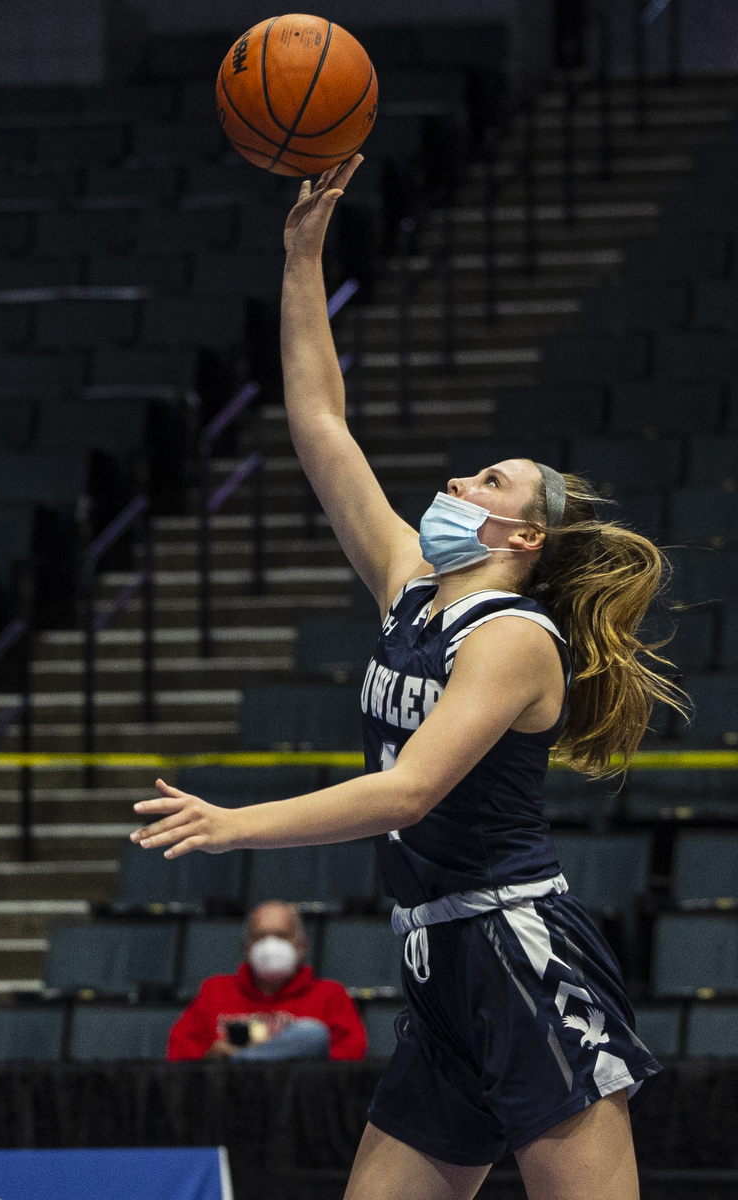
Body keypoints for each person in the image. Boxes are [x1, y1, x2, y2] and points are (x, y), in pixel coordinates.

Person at [131, 156, 688, 1199]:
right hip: (436, 969)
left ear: (521, 533)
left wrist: (235, 825)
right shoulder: (406, 583)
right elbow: (319, 427)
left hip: (519, 954)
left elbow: (407, 792)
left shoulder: (513, 637)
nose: (452, 480)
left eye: (485, 479)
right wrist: (302, 257)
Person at [167, 899, 367, 1062]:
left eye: (281, 935)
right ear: (246, 947)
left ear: (302, 945)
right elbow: (179, 1053)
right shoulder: (215, 990)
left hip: (300, 1099)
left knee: (313, 1033)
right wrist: (211, 1056)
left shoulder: (330, 994)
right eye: (259, 936)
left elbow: (351, 1058)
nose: (270, 945)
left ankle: (242, 1061)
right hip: (231, 1098)